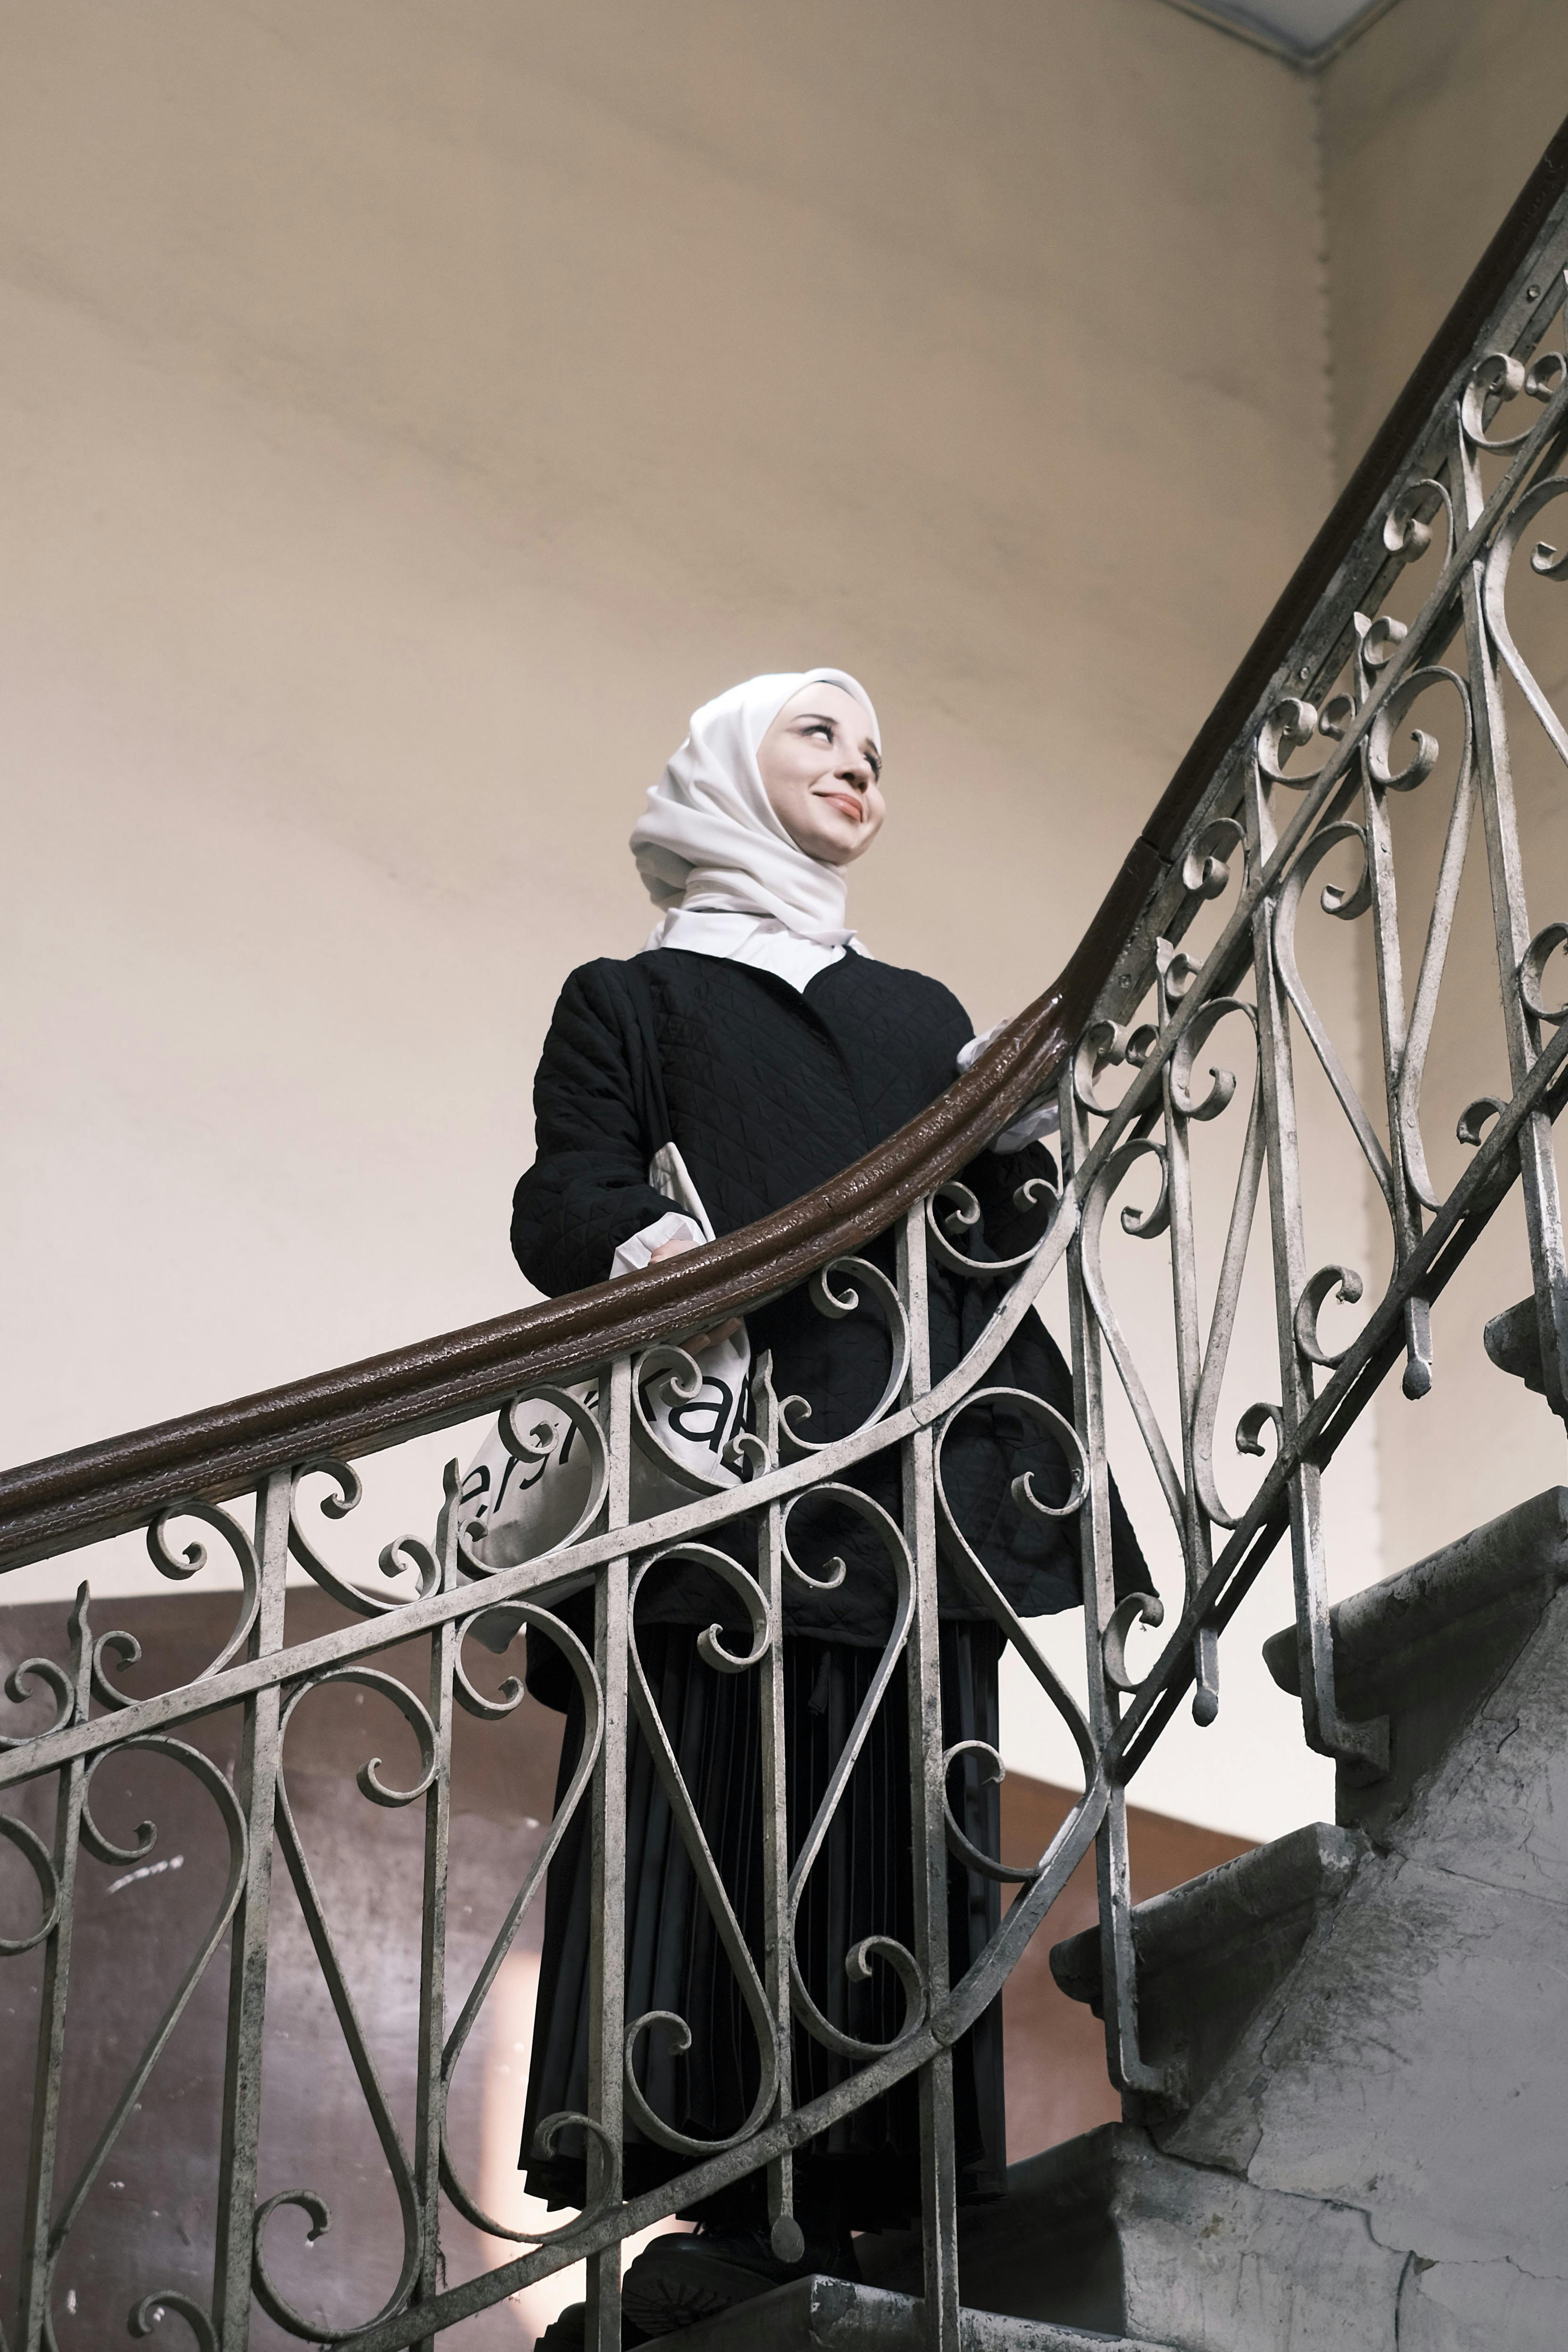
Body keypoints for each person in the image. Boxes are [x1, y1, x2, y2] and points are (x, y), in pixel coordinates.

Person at [508, 672, 1144, 2342]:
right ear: (724, 764)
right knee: (717, 1810)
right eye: (819, 735)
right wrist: (645, 1243)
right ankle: (724, 2204)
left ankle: (876, 2198)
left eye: (874, 753)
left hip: (917, 1485)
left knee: (901, 1828)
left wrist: (1026, 1131)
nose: (859, 765)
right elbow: (567, 1183)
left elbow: (1007, 1224)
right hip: (733, 1492)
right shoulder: (630, 1000)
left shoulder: (924, 1011)